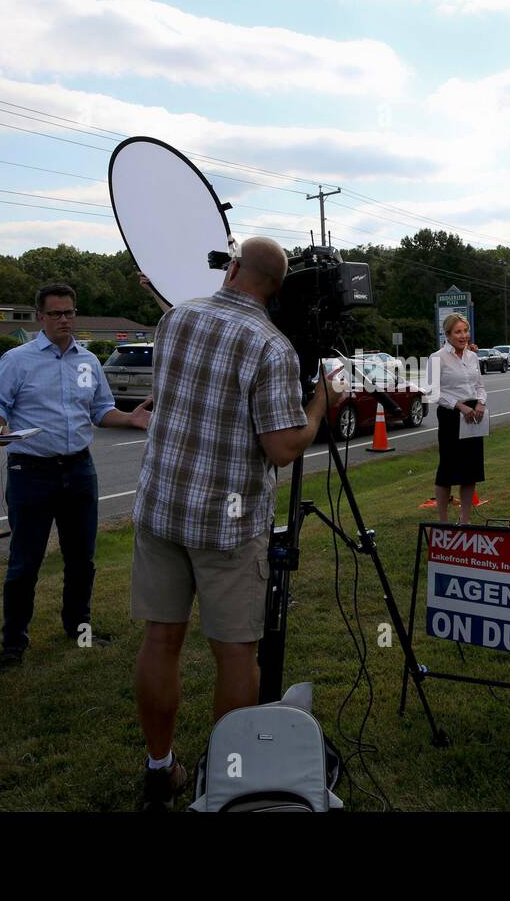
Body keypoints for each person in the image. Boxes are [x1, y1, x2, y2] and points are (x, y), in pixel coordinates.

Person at [130, 236, 331, 810]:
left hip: (162, 509)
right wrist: (318, 406)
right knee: (237, 654)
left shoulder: (175, 319)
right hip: (228, 525)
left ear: (235, 268)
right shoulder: (272, 348)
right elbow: (282, 448)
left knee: (161, 639)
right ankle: (229, 777)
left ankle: (158, 765)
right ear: (278, 288)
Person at [0, 284, 153, 671]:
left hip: (78, 470)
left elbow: (101, 409)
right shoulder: (18, 360)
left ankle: (79, 627)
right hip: (31, 472)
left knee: (81, 559)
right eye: (56, 314)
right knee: (25, 562)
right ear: (40, 317)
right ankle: (13, 645)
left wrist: (128, 418)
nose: (64, 320)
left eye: (70, 313)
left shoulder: (88, 362)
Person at [428, 313, 487, 524]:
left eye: (465, 331)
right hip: (451, 414)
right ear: (448, 334)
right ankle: (443, 521)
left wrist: (480, 402)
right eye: (458, 332)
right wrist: (459, 405)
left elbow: (479, 386)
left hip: (474, 414)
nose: (463, 336)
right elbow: (433, 393)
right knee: (448, 469)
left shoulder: (472, 357)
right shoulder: (437, 358)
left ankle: (465, 520)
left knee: (470, 470)